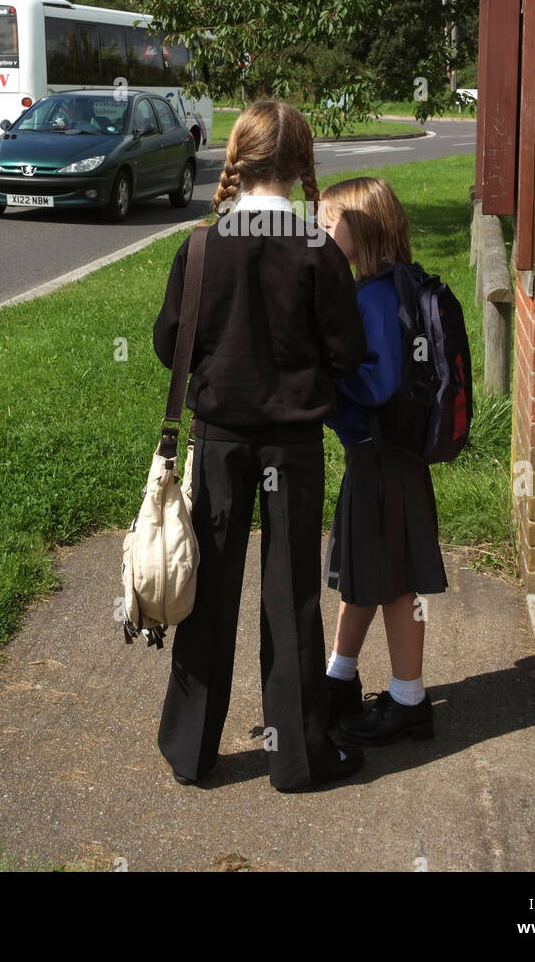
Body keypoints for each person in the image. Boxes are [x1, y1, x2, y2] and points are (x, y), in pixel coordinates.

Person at [152, 100, 368, 792]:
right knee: (291, 597)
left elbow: (168, 345)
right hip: (294, 446)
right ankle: (299, 757)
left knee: (207, 592)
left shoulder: (200, 247)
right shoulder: (318, 253)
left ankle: (191, 751)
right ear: (302, 164)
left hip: (218, 441)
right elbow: (347, 350)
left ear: (236, 162)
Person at [317, 176, 448, 745]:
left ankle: (408, 700)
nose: (320, 229)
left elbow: (378, 382)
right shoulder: (387, 286)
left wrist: (321, 380)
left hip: (382, 458)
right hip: (386, 456)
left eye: (329, 221)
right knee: (369, 571)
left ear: (362, 230)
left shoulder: (373, 297)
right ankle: (339, 677)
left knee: (395, 583)